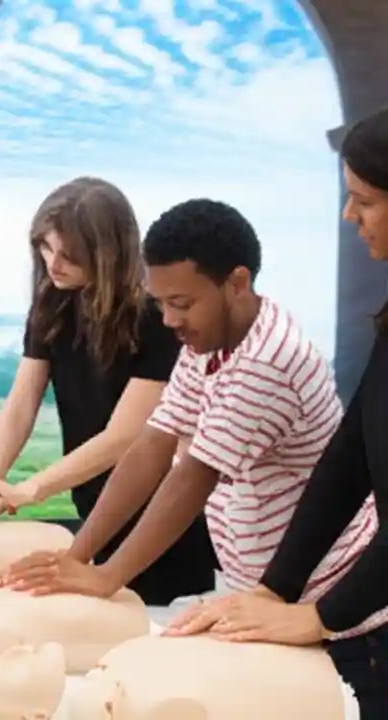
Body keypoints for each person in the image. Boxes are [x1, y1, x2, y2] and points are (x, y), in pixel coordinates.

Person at [0, 199, 374, 616]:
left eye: (181, 304)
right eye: (161, 304)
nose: (170, 320)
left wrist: (107, 576)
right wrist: (77, 557)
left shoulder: (264, 362)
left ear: (237, 283)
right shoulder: (210, 337)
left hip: (326, 591)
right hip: (268, 586)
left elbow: (192, 477)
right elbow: (152, 444)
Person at [162, 108, 388, 717]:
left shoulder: (268, 358)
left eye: (364, 201)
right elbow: (351, 460)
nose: (350, 216)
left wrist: (318, 614)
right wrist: (275, 588)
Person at [0, 177, 215, 605]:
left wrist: (25, 492)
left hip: (157, 521)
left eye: (68, 255)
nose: (52, 264)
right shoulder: (53, 302)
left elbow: (125, 436)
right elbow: (21, 403)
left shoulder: (153, 316)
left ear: (107, 252)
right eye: (45, 249)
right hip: (94, 512)